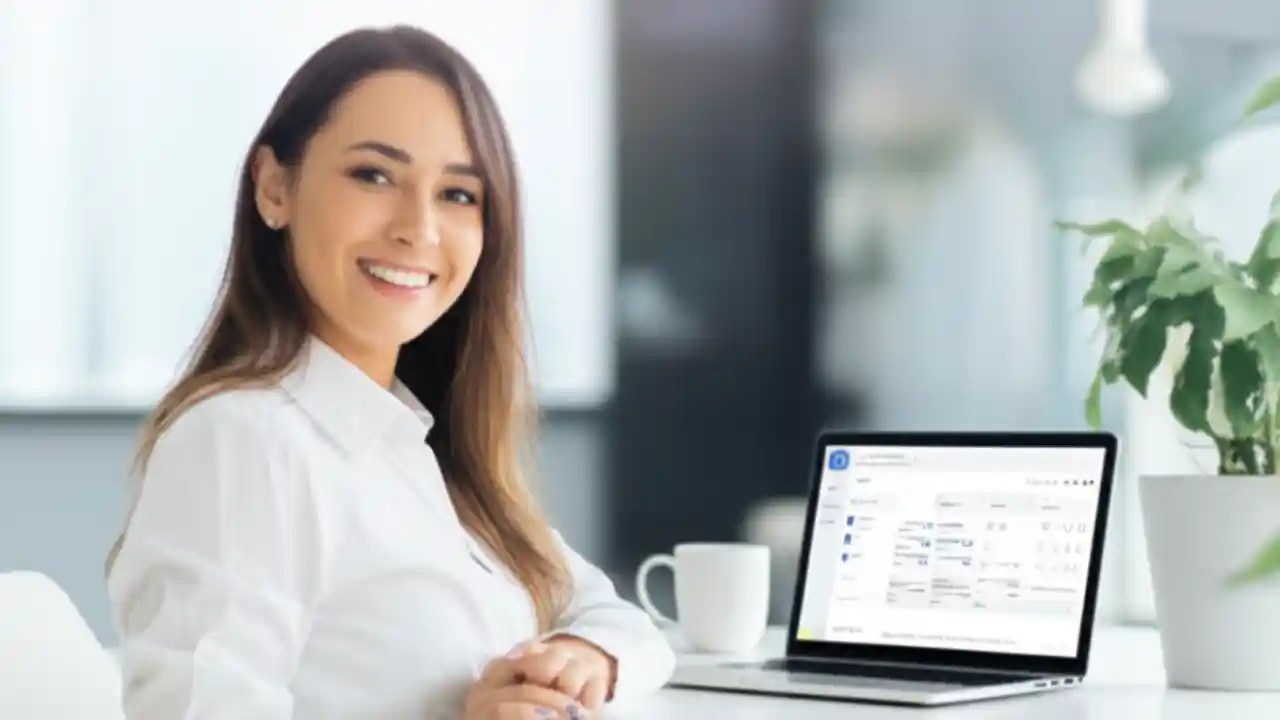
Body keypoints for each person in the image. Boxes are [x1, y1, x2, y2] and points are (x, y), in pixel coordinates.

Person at [105, 25, 674, 720]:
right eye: (373, 175)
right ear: (274, 187)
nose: (419, 228)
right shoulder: (242, 440)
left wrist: (584, 659)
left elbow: (623, 623)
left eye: (459, 194)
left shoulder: (418, 448)